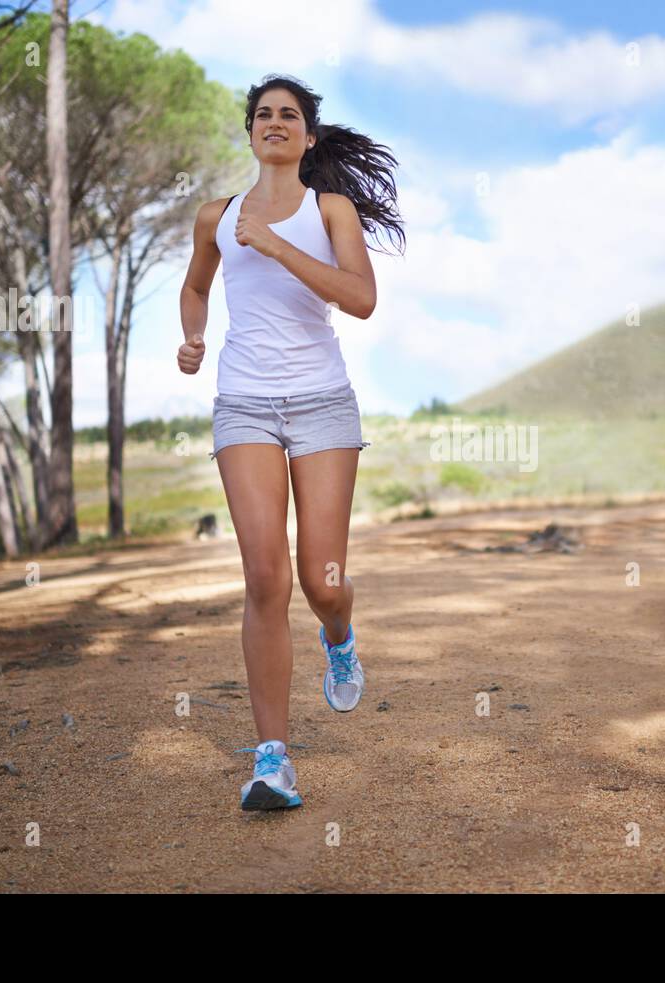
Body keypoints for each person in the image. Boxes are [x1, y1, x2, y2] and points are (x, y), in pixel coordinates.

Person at [177, 74, 405, 810]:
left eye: (290, 115)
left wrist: (275, 246)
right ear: (250, 134)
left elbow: (361, 299)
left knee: (322, 580)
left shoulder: (328, 209)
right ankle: (271, 759)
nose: (275, 122)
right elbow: (195, 285)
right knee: (266, 576)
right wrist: (192, 335)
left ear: (308, 137)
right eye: (263, 114)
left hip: (321, 404)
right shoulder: (217, 215)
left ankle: (339, 635)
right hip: (244, 402)